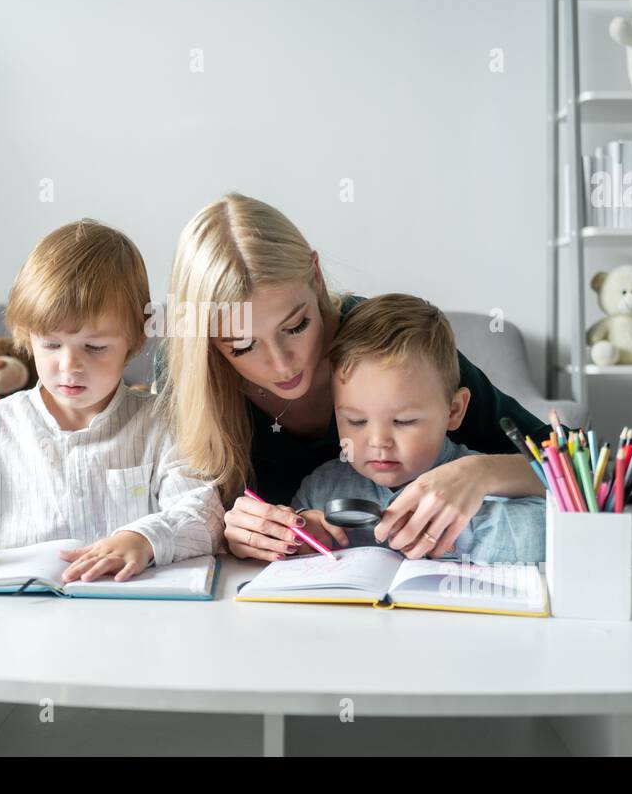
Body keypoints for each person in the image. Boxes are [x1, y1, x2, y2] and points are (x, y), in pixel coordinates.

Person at [156, 193, 550, 562]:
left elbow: (578, 469)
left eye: (295, 326)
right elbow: (176, 514)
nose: (282, 365)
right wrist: (232, 533)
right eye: (242, 347)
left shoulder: (391, 350)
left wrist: (478, 473)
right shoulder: (194, 385)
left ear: (315, 277)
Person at [0, 220, 223, 582]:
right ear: (28, 338)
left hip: (124, 620)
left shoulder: (160, 424)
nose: (69, 365)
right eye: (51, 345)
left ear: (134, 341)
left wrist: (143, 538)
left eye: (95, 347)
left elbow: (203, 516)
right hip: (20, 623)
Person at [291, 293, 545, 564]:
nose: (378, 441)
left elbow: (541, 537)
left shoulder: (481, 487)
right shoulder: (320, 489)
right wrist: (300, 537)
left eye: (403, 421)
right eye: (356, 421)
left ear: (454, 410)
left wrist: (453, 526)